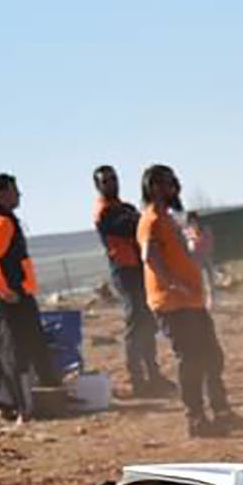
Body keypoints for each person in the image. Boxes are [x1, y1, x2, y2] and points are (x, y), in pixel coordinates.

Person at [139, 165, 240, 437]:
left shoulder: (168, 219)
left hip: (191, 301)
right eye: (169, 183)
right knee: (191, 359)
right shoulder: (151, 220)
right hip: (173, 303)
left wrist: (196, 255)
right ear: (154, 188)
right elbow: (149, 256)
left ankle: (221, 411)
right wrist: (173, 283)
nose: (175, 188)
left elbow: (179, 256)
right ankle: (196, 418)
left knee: (211, 355)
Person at [0, 173, 60, 417]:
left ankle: (40, 400)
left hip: (18, 293)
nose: (19, 195)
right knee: (17, 351)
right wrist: (4, 290)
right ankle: (21, 405)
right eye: (14, 190)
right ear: (1, 194)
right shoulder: (1, 223)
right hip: (13, 297)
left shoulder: (4, 221)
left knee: (31, 345)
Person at [93, 165, 167, 396]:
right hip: (124, 271)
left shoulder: (123, 208)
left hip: (138, 268)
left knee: (147, 322)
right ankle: (137, 380)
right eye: (106, 181)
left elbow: (138, 222)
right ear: (98, 186)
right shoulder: (104, 212)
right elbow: (131, 226)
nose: (111, 184)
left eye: (113, 178)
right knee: (136, 323)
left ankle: (153, 375)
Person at [182, 209, 217, 303]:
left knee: (210, 280)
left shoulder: (204, 230)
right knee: (199, 281)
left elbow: (209, 242)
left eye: (195, 220)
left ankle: (211, 300)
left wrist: (199, 242)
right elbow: (188, 246)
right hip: (195, 259)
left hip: (205, 256)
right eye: (191, 221)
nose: (194, 223)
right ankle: (200, 300)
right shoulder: (186, 232)